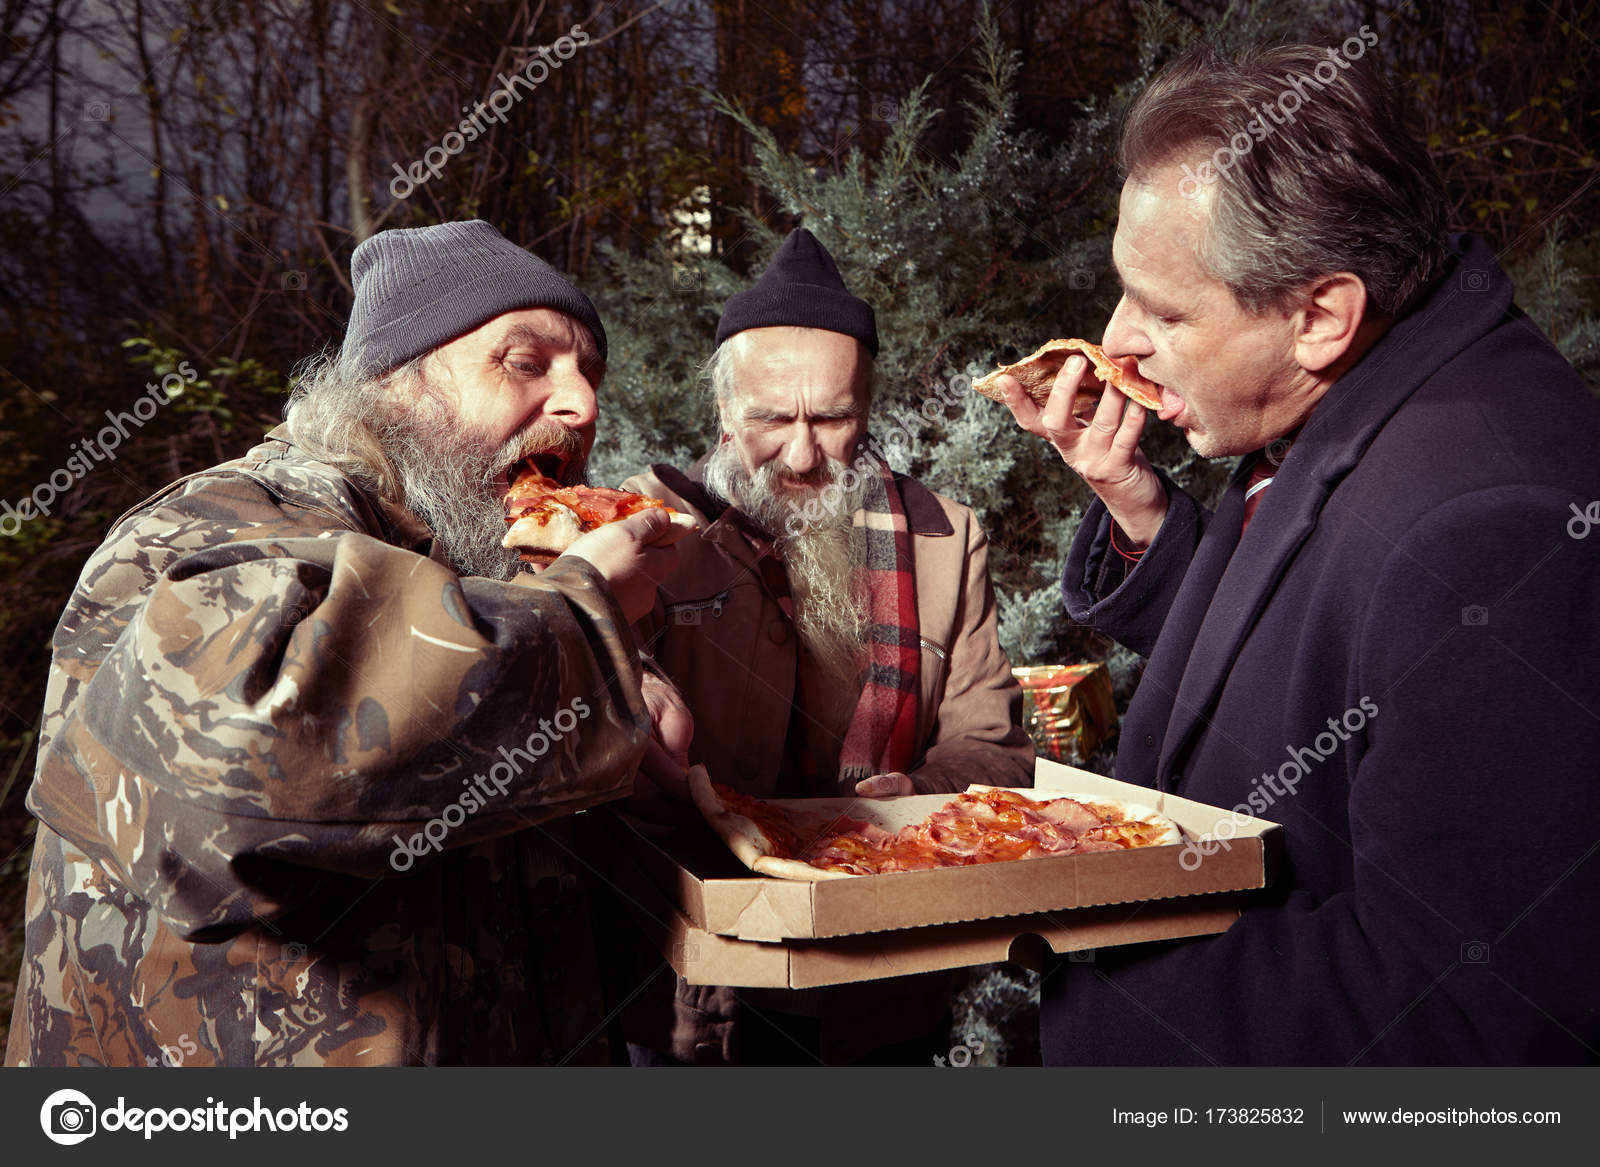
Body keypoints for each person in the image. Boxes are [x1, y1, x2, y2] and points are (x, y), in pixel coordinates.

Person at [995, 42, 1600, 1064]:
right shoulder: (1349, 390)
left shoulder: (1499, 525)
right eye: (1122, 293)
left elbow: (1474, 1010)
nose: (1115, 342)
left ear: (1320, 314)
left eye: (1165, 310)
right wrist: (1141, 512)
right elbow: (1318, 639)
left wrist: (1070, 972)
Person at [5, 220, 692, 1067]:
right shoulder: (210, 526)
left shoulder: (472, 566)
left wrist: (621, 747)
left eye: (590, 372)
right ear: (394, 383)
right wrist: (581, 632)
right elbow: (234, 783)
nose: (582, 403)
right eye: (527, 361)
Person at [604, 227, 1035, 1065]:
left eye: (833, 418)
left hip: (882, 983)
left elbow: (998, 750)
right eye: (771, 417)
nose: (802, 453)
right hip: (694, 986)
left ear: (867, 410)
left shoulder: (945, 539)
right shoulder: (634, 530)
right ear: (724, 409)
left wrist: (917, 789)